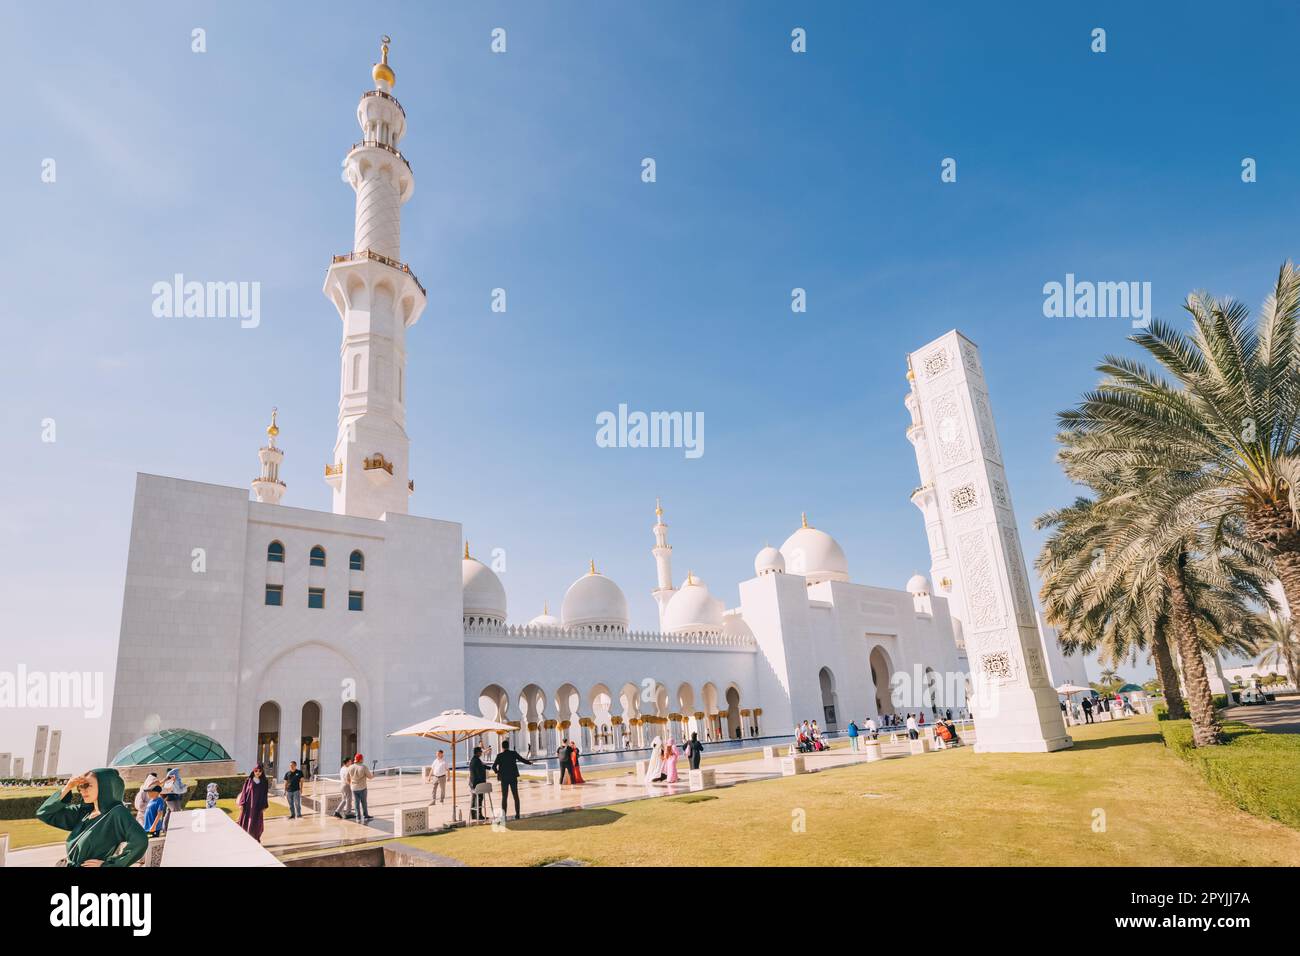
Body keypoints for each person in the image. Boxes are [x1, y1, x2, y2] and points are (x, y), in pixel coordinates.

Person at [37, 768, 148, 868]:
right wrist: (68, 787)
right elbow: (44, 813)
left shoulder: (117, 813)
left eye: (87, 785)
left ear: (104, 786)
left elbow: (140, 841)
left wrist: (111, 865)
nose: (82, 790)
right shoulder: (84, 813)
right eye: (80, 787)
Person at [492, 742, 534, 820]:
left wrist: (498, 772)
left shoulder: (499, 755)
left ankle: (504, 815)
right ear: (508, 746)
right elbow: (522, 759)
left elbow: (493, 767)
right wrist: (529, 763)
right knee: (515, 796)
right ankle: (517, 814)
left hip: (504, 778)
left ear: (502, 747)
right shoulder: (513, 753)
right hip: (513, 777)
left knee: (504, 797)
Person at [236, 764, 270, 842]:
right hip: (248, 805)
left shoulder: (264, 781)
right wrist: (242, 803)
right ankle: (246, 838)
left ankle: (255, 838)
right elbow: (244, 792)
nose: (258, 772)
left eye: (260, 771)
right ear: (253, 771)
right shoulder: (249, 780)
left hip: (258, 805)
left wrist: (265, 805)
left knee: (256, 822)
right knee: (247, 820)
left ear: (262, 772)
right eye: (256, 771)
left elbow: (265, 794)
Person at [347, 754, 374, 823]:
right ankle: (365, 815)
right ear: (361, 759)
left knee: (356, 803)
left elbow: (347, 778)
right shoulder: (363, 767)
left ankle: (358, 817)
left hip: (354, 788)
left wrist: (351, 784)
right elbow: (370, 777)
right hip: (362, 787)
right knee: (364, 802)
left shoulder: (350, 767)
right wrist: (372, 775)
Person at [469, 746, 490, 820]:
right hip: (477, 783)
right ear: (478, 752)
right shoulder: (477, 761)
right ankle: (479, 814)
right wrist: (483, 781)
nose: (481, 753)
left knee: (475, 798)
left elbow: (482, 766)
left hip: (473, 783)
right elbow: (479, 772)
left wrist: (488, 767)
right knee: (479, 799)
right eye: (480, 752)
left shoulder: (474, 759)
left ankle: (473, 815)